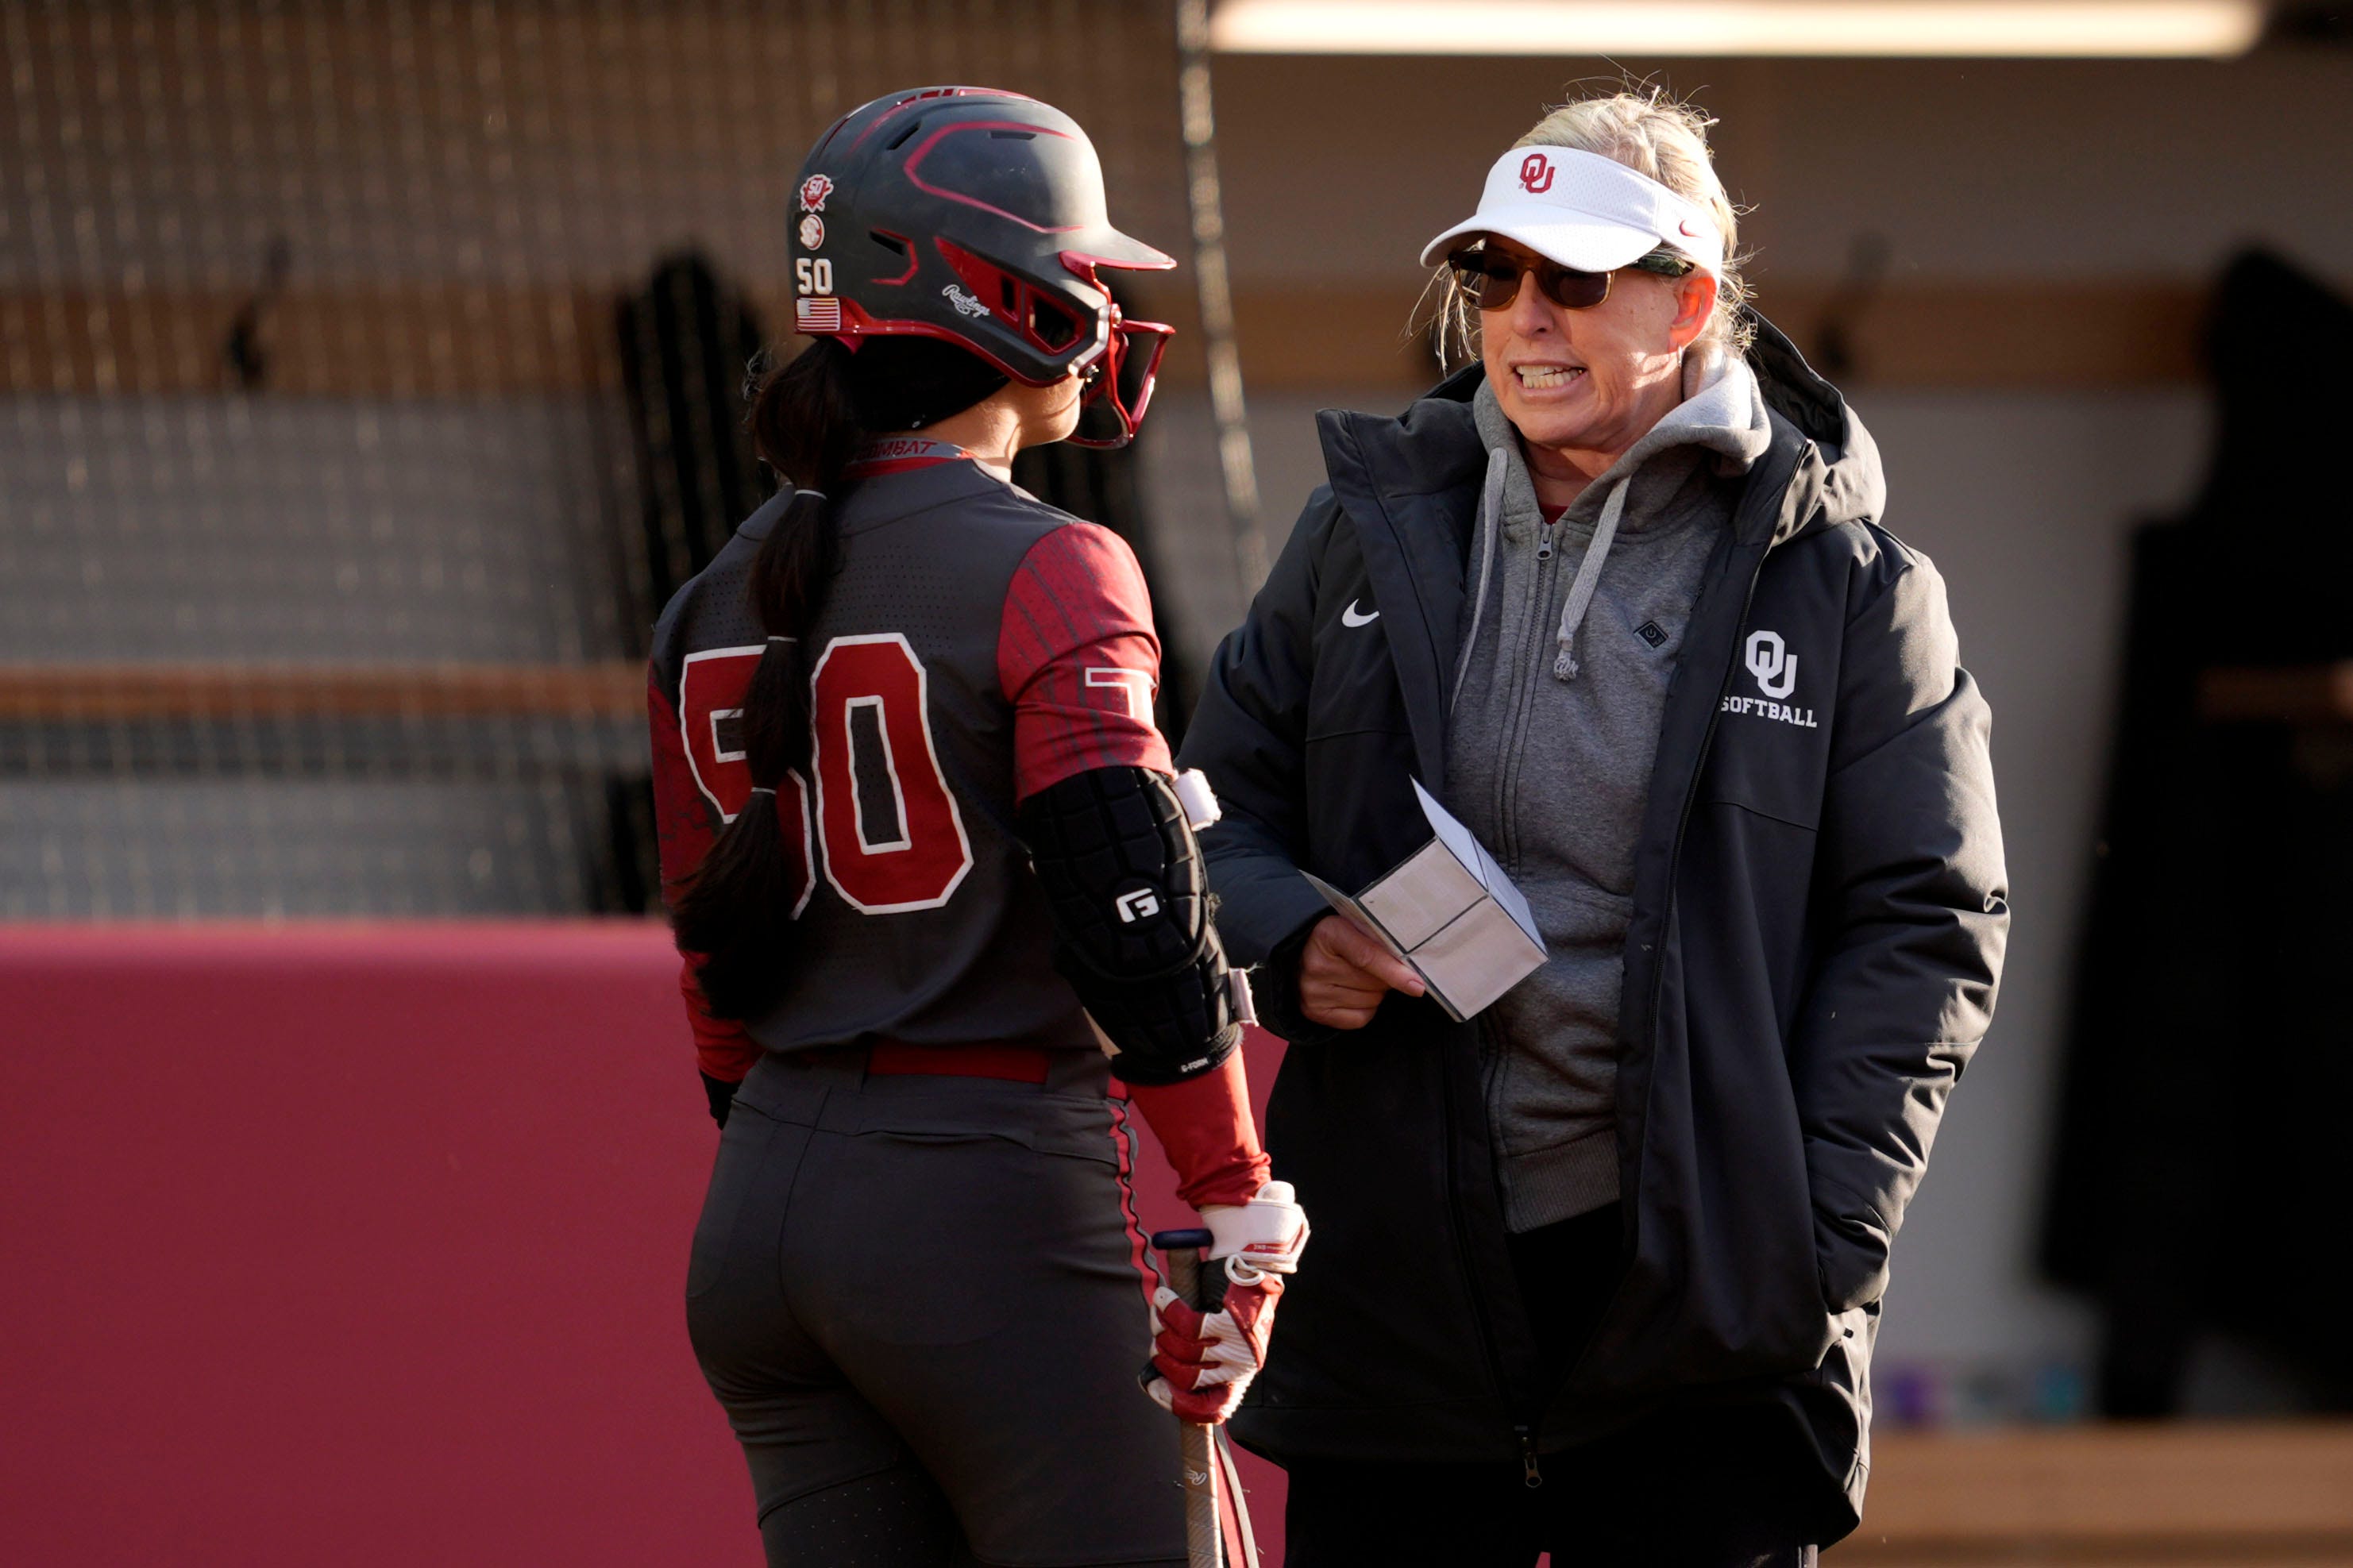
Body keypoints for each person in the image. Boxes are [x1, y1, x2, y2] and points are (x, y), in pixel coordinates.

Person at [1177, 89, 2007, 1566]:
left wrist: (1807, 1244)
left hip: (1698, 1317)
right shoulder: (1362, 530)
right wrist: (1293, 934)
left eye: (1574, 277)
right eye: (1495, 277)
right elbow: (1217, 804)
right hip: (1402, 1310)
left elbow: (1930, 927)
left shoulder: (1854, 588)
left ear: (1689, 301)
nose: (1525, 317)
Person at [647, 87, 1308, 1568]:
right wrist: (1234, 1187)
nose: (1100, 296)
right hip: (980, 1204)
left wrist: (803, 1159)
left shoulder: (706, 599)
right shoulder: (1055, 563)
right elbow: (1128, 906)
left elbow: (711, 968)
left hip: (762, 1223)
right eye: (1079, 267)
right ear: (996, 289)